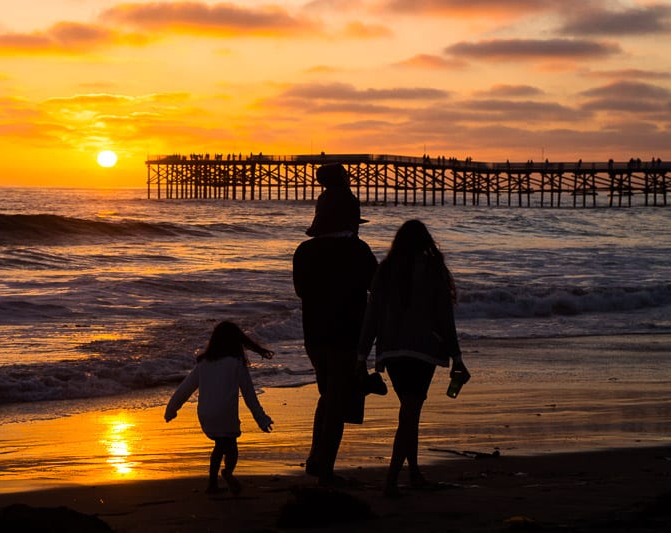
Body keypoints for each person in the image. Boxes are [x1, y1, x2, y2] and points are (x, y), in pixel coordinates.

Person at [357, 219, 468, 497]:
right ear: (426, 242)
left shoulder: (385, 270)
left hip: (392, 351)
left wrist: (362, 355)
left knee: (410, 412)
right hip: (423, 351)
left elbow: (371, 317)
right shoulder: (433, 271)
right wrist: (457, 356)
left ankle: (414, 473)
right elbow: (445, 317)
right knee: (409, 413)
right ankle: (392, 479)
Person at [293, 163, 378, 486]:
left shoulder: (305, 252)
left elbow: (302, 291)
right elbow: (377, 287)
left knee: (328, 395)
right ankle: (324, 467)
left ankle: (317, 458)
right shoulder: (357, 251)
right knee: (337, 400)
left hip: (314, 334)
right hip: (347, 335)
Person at [164, 321, 274, 495]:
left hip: (206, 414)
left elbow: (185, 388)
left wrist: (171, 409)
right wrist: (261, 419)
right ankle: (227, 473)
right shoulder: (236, 363)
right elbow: (249, 395)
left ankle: (212, 484)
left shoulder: (204, 363)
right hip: (225, 415)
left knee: (220, 445)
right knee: (230, 447)